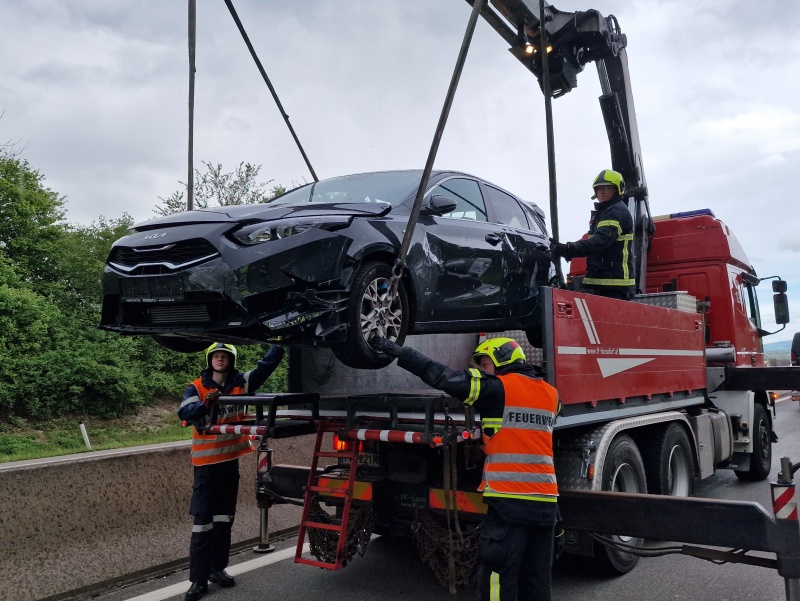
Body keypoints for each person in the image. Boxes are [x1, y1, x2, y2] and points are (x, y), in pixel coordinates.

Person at [370, 336, 560, 601]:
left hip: (510, 501)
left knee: (498, 575)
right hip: (546, 504)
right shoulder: (552, 395)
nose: (483, 371)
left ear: (501, 359)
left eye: (485, 364)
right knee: (537, 578)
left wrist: (403, 353)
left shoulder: (498, 389)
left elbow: (443, 377)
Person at [178, 342, 284, 601]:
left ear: (231, 360)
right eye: (216, 356)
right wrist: (205, 405)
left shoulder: (241, 384)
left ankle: (217, 569)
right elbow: (185, 411)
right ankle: (198, 580)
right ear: (209, 359)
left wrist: (278, 346)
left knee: (225, 519)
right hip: (205, 467)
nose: (220, 359)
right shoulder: (197, 387)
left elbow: (263, 369)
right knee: (203, 524)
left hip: (230, 463)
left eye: (225, 356)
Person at [551, 169, 636, 300]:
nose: (601, 192)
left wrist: (568, 249)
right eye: (598, 188)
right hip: (604, 282)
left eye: (607, 188)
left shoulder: (616, 211)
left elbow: (600, 241)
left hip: (614, 285)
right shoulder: (605, 211)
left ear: (617, 189)